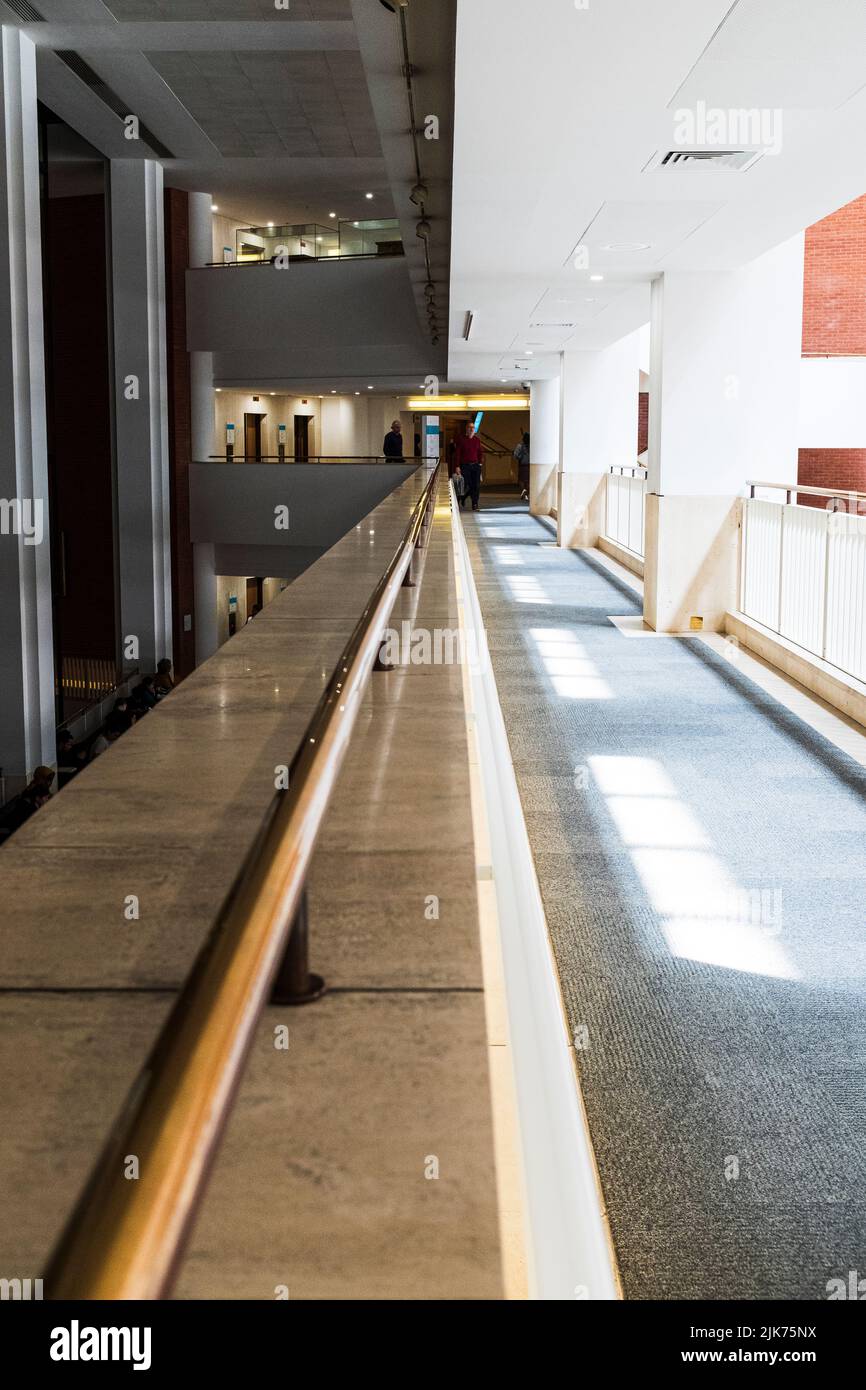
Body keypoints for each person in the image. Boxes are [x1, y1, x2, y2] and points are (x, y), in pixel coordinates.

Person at [454, 423, 484, 510]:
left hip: (475, 466)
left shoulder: (477, 440)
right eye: (470, 427)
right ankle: (461, 498)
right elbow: (458, 454)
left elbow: (480, 452)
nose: (471, 429)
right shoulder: (461, 439)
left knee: (476, 486)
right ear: (466, 429)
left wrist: (480, 464)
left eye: (473, 428)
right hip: (465, 466)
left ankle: (475, 504)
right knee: (466, 484)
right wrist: (457, 466)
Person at [514, 430, 530, 500]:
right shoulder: (532, 446)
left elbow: (515, 455)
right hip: (530, 465)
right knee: (528, 481)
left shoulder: (520, 446)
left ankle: (523, 490)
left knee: (521, 480)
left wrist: (520, 457)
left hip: (522, 464)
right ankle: (526, 494)